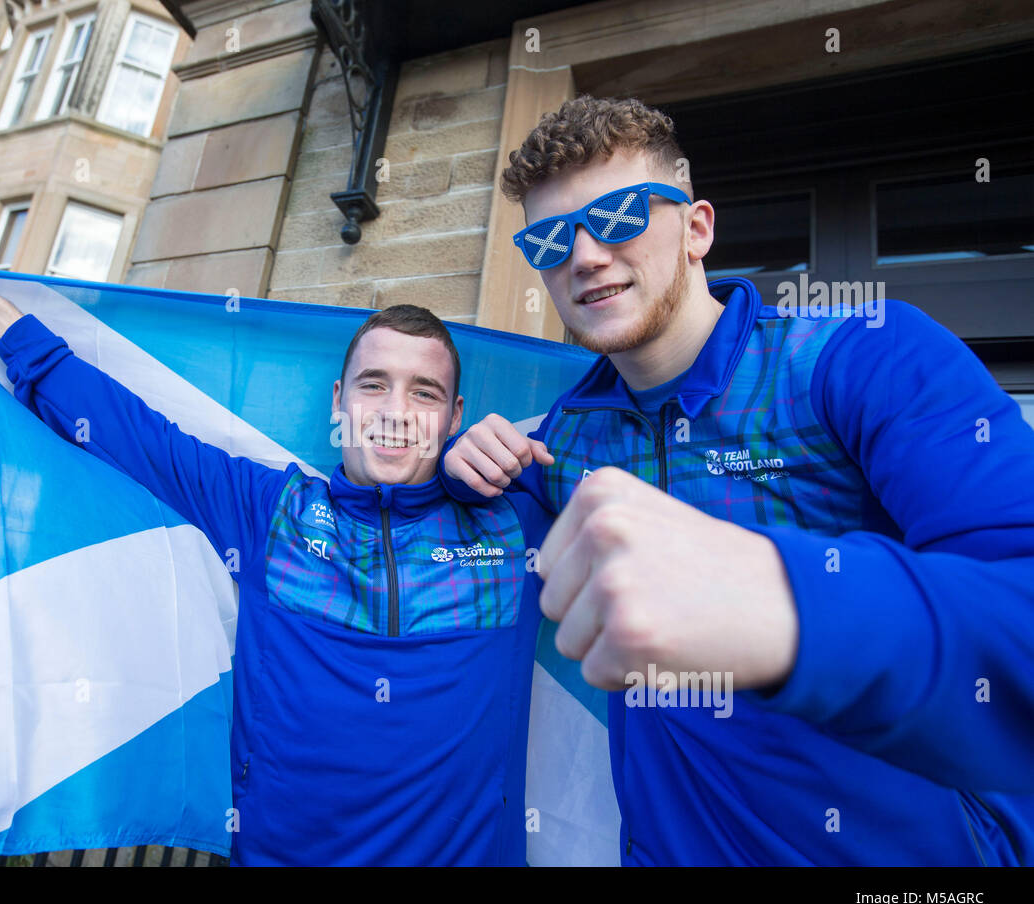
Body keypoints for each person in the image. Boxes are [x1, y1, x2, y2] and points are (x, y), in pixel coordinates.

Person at [440, 94, 1034, 864]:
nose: (584, 255)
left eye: (619, 217)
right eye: (552, 239)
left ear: (697, 228)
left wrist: (781, 598)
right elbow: (464, 536)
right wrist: (460, 470)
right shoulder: (566, 438)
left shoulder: (861, 361)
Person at [0, 251, 552, 866]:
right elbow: (133, 432)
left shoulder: (510, 521)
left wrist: (505, 473)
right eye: (373, 385)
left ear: (455, 414)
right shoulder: (273, 512)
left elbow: (626, 460)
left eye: (424, 394)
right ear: (338, 404)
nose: (395, 412)